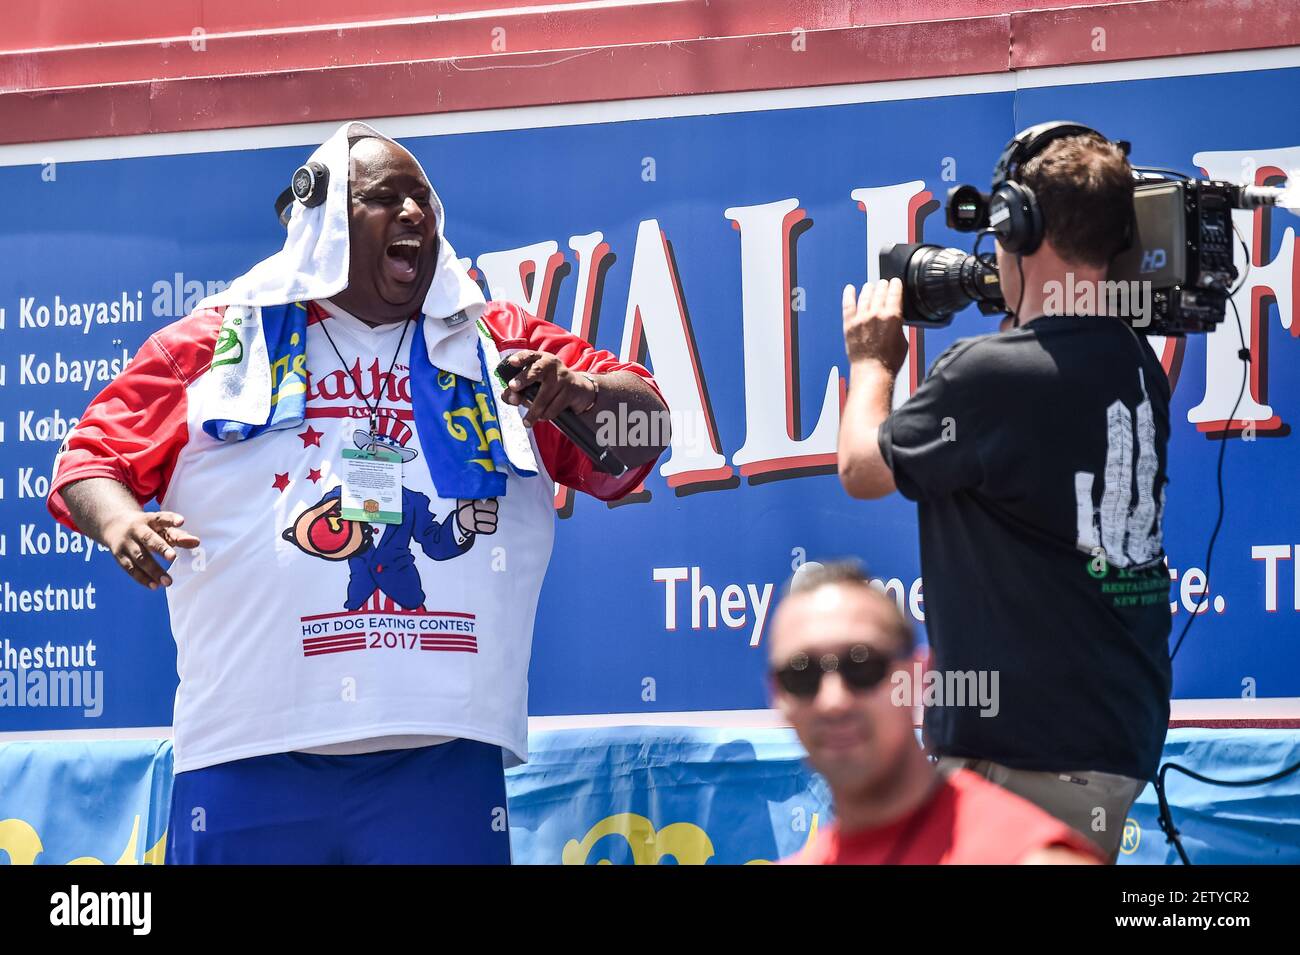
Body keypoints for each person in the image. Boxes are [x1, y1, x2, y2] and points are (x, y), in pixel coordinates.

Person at [46, 121, 669, 864]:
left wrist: (582, 391)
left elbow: (645, 432)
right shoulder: (220, 339)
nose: (415, 216)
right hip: (248, 748)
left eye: (423, 203)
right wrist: (121, 523)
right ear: (323, 223)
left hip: (440, 753)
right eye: (386, 199)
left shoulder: (493, 339)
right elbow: (89, 458)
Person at [835, 124, 1172, 862]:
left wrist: (872, 362)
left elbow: (862, 467)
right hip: (1106, 744)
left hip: (1026, 757)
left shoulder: (991, 374)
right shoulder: (1137, 360)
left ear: (1019, 224)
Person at [772, 561, 1100, 864]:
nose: (833, 700)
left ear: (916, 677)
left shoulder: (1027, 856)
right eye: (801, 674)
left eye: (862, 664)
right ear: (777, 695)